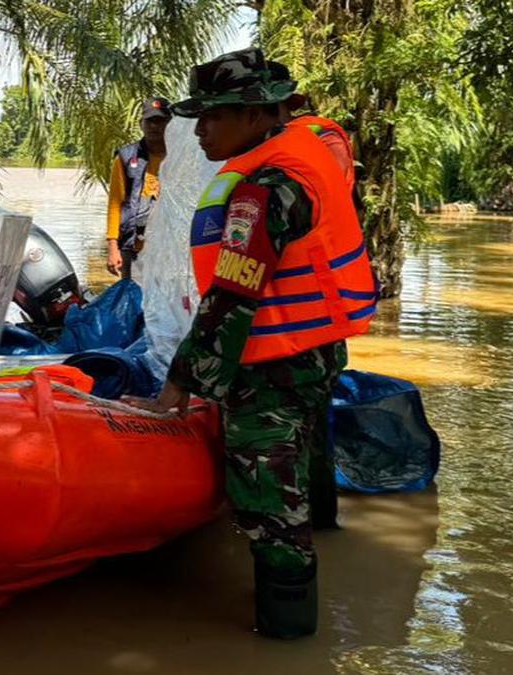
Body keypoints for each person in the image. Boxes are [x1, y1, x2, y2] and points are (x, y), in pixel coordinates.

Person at [128, 48, 376, 638]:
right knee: (307, 467)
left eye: (215, 116)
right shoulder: (305, 153)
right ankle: (327, 539)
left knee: (269, 506)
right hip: (315, 350)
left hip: (274, 366)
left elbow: (231, 298)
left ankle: (287, 633)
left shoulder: (264, 188)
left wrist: (176, 387)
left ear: (259, 114)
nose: (201, 129)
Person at [106, 97, 171, 279]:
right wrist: (112, 247)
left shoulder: (180, 157)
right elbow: (114, 204)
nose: (154, 127)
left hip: (169, 247)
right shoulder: (126, 157)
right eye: (150, 121)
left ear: (170, 124)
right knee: (133, 299)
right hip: (133, 247)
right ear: (141, 124)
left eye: (160, 121)